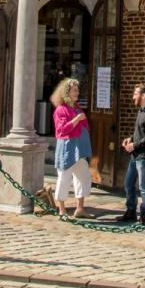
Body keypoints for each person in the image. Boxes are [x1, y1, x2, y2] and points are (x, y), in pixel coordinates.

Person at [116, 83, 145, 225]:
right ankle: (131, 212)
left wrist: (134, 145)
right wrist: (131, 139)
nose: (133, 96)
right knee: (128, 184)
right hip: (136, 156)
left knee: (144, 187)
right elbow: (139, 133)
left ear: (143, 96)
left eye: (136, 94)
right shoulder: (141, 111)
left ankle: (144, 215)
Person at [50, 78, 93, 217]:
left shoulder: (76, 107)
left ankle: (80, 208)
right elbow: (62, 130)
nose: (77, 92)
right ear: (67, 92)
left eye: (77, 90)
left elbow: (83, 124)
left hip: (79, 149)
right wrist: (77, 119)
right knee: (64, 178)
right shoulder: (61, 110)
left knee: (83, 177)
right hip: (68, 148)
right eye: (75, 90)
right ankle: (62, 210)